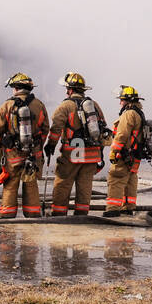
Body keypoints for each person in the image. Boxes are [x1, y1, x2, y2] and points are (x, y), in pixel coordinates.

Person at [44, 72, 108, 216]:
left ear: (70, 90)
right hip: (92, 153)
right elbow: (103, 129)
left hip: (73, 152)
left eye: (67, 88)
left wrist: (50, 145)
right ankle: (81, 214)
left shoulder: (65, 106)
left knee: (63, 182)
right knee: (85, 185)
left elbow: (56, 129)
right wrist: (100, 152)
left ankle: (59, 214)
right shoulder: (94, 105)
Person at [0, 73, 49, 218]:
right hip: (33, 152)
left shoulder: (7, 105)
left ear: (16, 88)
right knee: (31, 183)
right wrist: (38, 146)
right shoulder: (39, 105)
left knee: (10, 183)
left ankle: (7, 214)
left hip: (12, 153)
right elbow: (45, 128)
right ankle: (33, 214)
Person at [106, 85, 147, 216]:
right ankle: (128, 207)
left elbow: (122, 135)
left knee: (116, 179)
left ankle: (113, 209)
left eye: (122, 100)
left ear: (128, 101)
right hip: (135, 155)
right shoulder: (139, 113)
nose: (120, 102)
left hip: (125, 154)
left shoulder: (128, 114)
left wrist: (114, 151)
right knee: (131, 179)